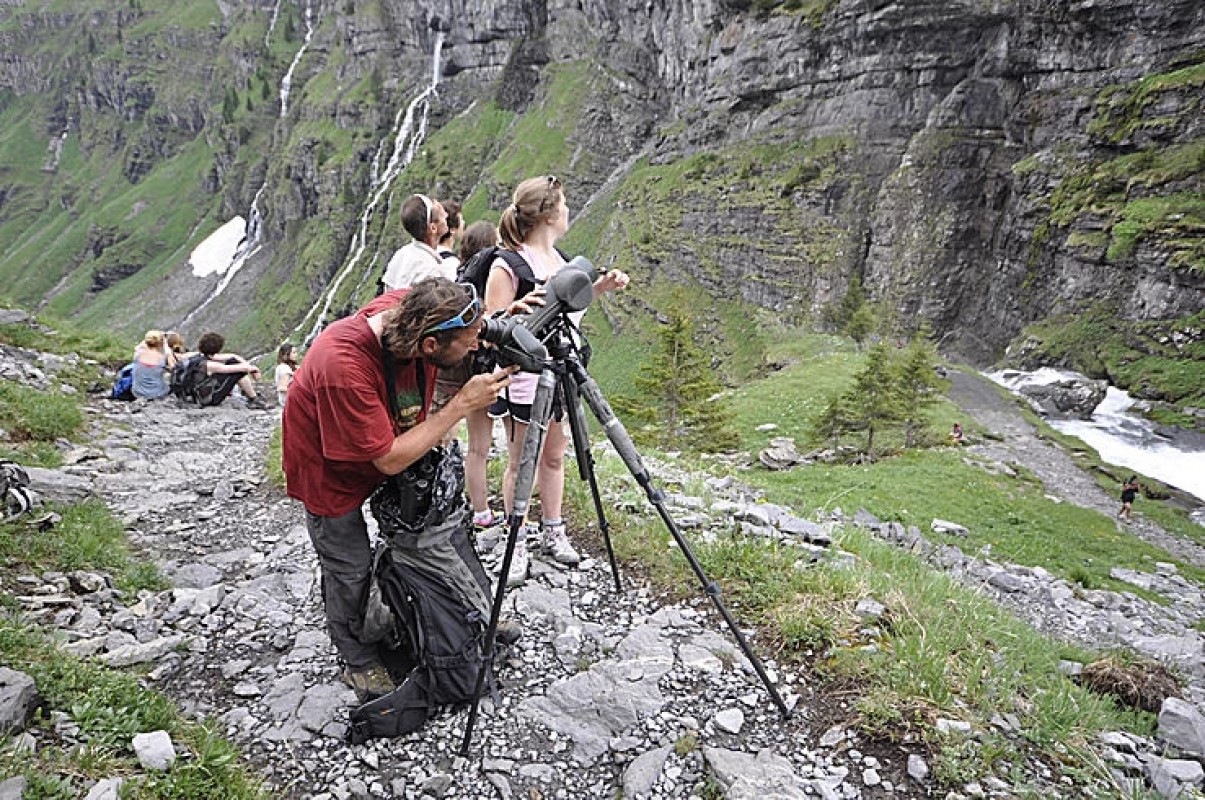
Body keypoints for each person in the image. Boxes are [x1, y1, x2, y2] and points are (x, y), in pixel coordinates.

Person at [280, 278, 520, 702]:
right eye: (467, 343)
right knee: (349, 566)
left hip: (392, 436)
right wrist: (460, 405)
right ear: (430, 347)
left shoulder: (412, 311)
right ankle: (358, 659)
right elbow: (388, 458)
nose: (474, 349)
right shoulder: (343, 367)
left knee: (437, 529)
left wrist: (505, 320)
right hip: (329, 470)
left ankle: (463, 608)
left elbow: (465, 330)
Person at [484, 175, 630, 585]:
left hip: (559, 374)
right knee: (520, 460)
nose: (569, 212)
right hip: (525, 379)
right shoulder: (508, 264)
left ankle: (553, 529)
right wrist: (514, 309)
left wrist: (597, 289)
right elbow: (491, 325)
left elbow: (566, 313)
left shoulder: (563, 262)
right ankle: (517, 541)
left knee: (553, 455)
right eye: (564, 206)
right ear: (549, 215)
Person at [432, 220, 504, 530]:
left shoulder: (455, 279)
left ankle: (457, 503)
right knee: (479, 447)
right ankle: (483, 510)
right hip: (479, 372)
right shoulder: (494, 280)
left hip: (447, 372)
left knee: (446, 439)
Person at [380, 194, 451, 291]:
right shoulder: (429, 271)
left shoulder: (401, 255)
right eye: (442, 215)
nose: (446, 215)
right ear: (433, 228)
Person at [192, 332, 269, 409]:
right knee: (238, 371)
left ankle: (250, 394)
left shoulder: (200, 357)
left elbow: (232, 357)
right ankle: (253, 399)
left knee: (233, 362)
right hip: (209, 399)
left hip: (200, 394)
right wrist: (254, 369)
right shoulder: (210, 365)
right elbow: (240, 368)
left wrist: (248, 366)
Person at [131, 330, 175, 400]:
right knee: (167, 378)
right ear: (161, 342)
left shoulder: (138, 353)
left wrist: (152, 337)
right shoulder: (163, 357)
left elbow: (140, 346)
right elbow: (175, 369)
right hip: (158, 393)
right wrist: (167, 347)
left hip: (137, 392)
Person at [437, 200, 464, 270]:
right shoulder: (452, 264)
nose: (463, 223)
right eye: (461, 220)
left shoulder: (428, 256)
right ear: (452, 230)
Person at [275, 342, 299, 407]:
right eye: (294, 353)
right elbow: (282, 387)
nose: (296, 354)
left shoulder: (289, 367)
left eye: (296, 352)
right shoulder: (284, 368)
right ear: (286, 355)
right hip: (289, 401)